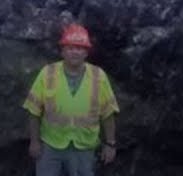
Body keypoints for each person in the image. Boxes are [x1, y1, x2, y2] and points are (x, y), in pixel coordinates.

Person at [22, 22, 119, 176]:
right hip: (51, 146)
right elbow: (34, 110)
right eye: (70, 47)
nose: (75, 52)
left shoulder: (98, 76)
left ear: (86, 52)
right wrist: (34, 142)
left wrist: (110, 144)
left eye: (79, 48)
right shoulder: (47, 73)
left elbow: (108, 113)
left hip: (84, 148)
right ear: (63, 51)